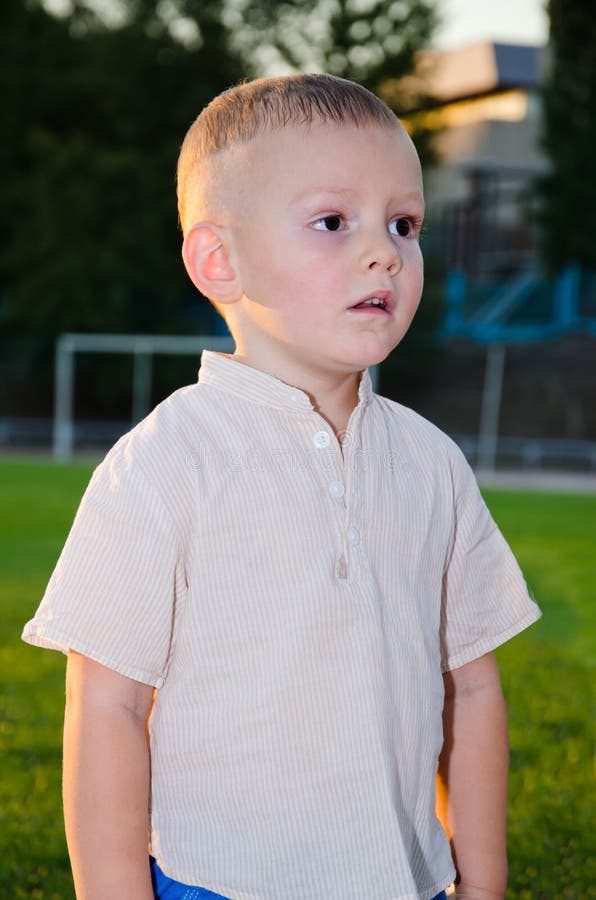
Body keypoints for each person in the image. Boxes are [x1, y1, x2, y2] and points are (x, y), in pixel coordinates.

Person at [23, 73, 541, 900]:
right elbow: (108, 707)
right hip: (218, 880)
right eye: (334, 222)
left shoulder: (433, 463)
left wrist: (480, 881)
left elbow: (471, 686)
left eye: (404, 224)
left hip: (408, 880)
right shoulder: (162, 464)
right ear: (219, 260)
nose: (385, 251)